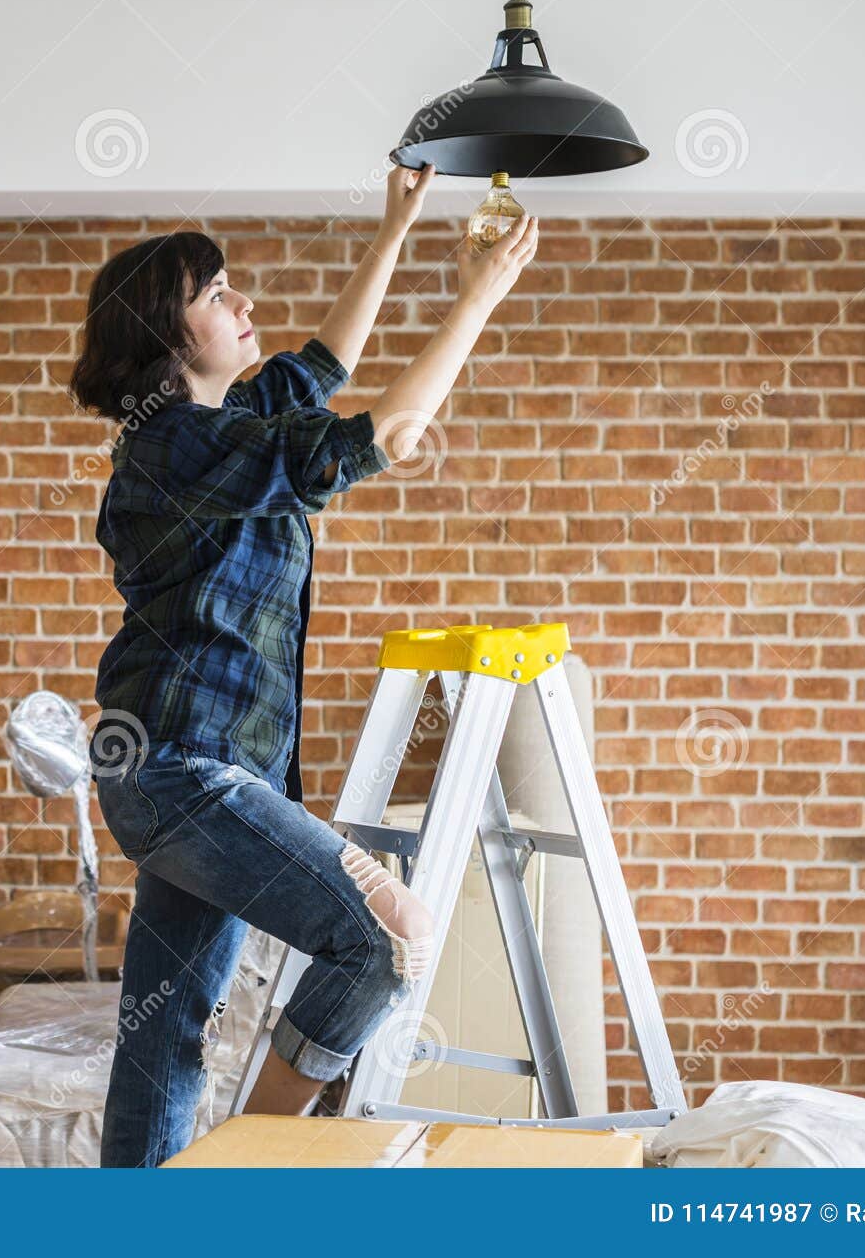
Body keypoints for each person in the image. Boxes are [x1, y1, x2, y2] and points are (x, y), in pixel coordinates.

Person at [68, 163, 540, 1167]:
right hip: (181, 773)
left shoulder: (226, 427)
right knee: (383, 935)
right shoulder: (172, 450)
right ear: (164, 334)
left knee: (163, 1035)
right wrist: (478, 297)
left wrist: (395, 225)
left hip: (192, 774)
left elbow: (324, 362)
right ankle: (257, 1165)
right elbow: (391, 432)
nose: (244, 301)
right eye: (214, 291)